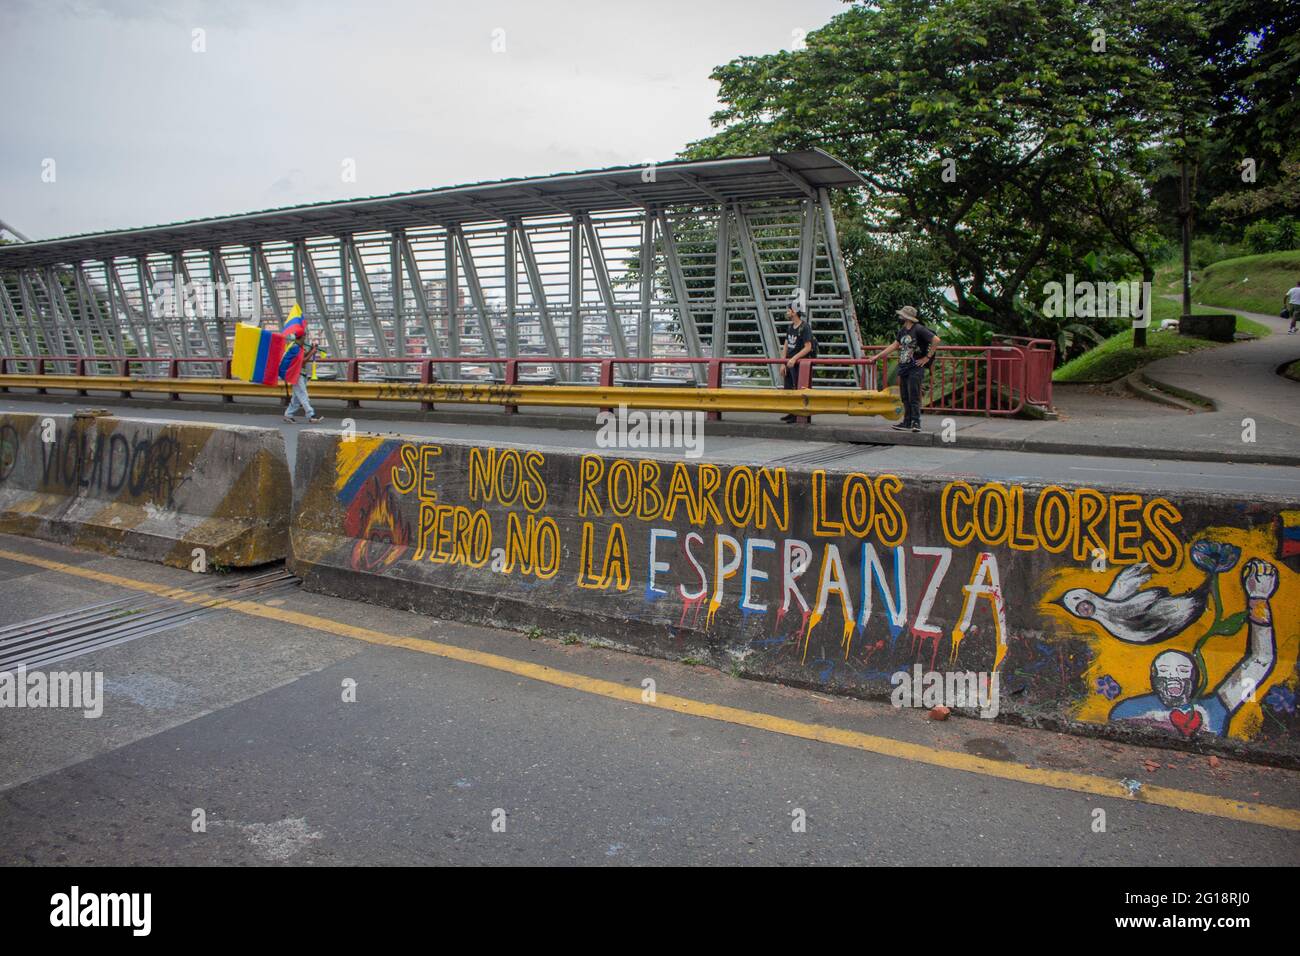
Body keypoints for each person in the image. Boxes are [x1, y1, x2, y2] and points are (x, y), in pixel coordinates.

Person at [877, 305, 938, 433]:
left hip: (915, 367)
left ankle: (916, 422)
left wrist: (927, 357)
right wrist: (877, 357)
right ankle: (907, 421)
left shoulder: (919, 329)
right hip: (904, 366)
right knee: (905, 396)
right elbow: (894, 345)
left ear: (907, 317)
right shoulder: (903, 331)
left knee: (914, 395)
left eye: (902, 314)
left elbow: (936, 340)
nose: (900, 316)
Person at [779, 304, 816, 423]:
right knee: (788, 388)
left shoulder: (805, 327)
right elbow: (786, 345)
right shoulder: (790, 327)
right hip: (789, 362)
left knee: (798, 388)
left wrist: (794, 358)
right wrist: (782, 363)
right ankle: (791, 412)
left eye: (788, 310)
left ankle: (797, 414)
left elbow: (808, 347)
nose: (787, 312)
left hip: (799, 364)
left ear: (794, 312)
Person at [282, 332, 323, 424]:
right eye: (305, 336)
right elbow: (302, 362)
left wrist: (311, 349)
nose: (305, 338)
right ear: (302, 337)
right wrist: (312, 352)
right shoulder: (295, 348)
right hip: (297, 374)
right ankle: (311, 415)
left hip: (301, 374)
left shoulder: (299, 347)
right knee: (303, 395)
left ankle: (288, 415)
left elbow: (303, 357)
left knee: (296, 398)